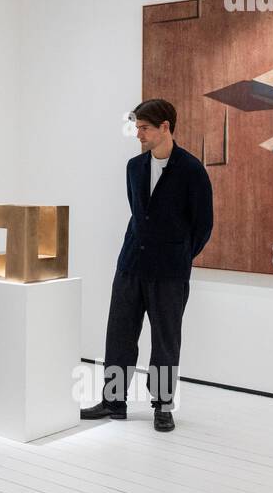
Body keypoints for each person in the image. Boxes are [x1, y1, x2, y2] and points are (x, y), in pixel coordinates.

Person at [81, 98, 213, 432]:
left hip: (169, 273)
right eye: (137, 127)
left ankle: (163, 406)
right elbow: (138, 216)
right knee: (119, 335)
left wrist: (179, 256)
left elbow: (203, 225)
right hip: (130, 265)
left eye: (144, 128)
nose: (138, 134)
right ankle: (114, 401)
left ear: (165, 127)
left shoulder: (192, 170)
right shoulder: (134, 167)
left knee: (165, 341)